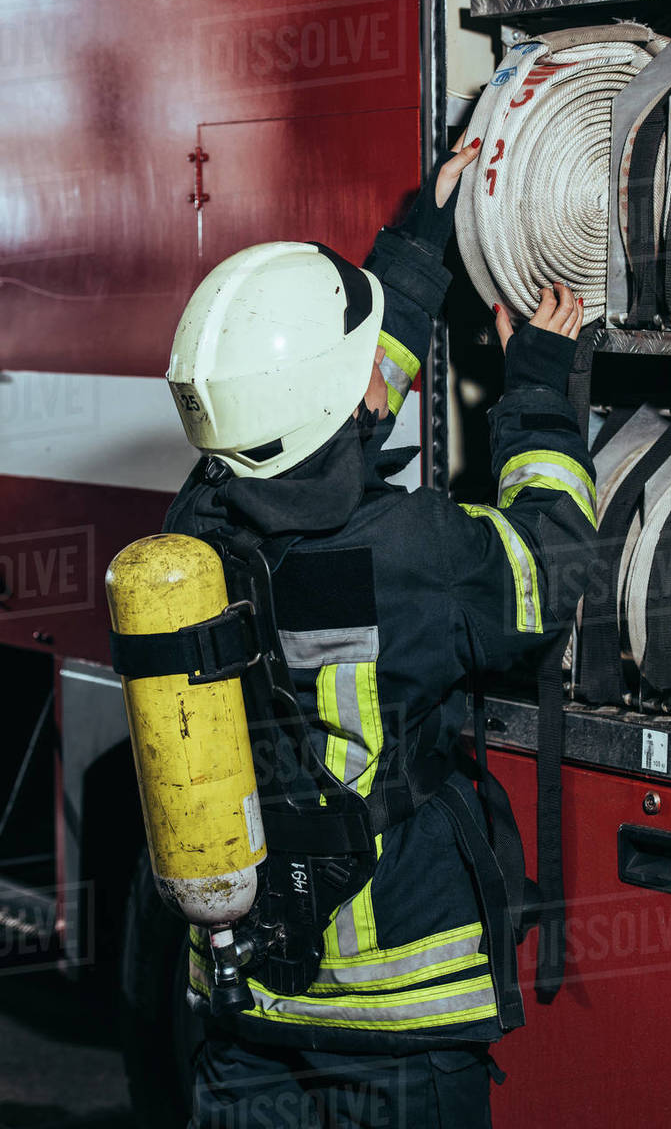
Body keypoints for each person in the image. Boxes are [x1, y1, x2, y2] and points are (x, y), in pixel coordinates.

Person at [163, 134, 597, 1128]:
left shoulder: (194, 530)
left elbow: (312, 415)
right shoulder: (422, 554)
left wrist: (416, 248)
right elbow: (561, 565)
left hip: (246, 1015)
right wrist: (536, 393)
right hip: (402, 1029)